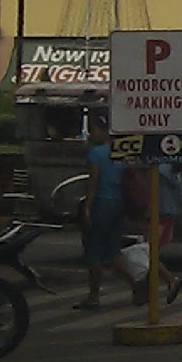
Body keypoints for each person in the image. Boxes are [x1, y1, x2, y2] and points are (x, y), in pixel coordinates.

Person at [75, 120, 144, 310]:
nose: (90, 135)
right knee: (112, 249)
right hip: (119, 204)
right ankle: (135, 283)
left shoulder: (95, 154)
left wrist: (87, 207)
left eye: (93, 130)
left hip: (102, 204)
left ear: (104, 131)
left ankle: (93, 296)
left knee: (93, 251)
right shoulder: (120, 151)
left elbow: (93, 182)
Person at [143, 162, 182, 304]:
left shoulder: (157, 170)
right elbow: (181, 197)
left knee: (148, 253)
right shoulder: (175, 172)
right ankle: (147, 290)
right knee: (151, 253)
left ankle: (170, 280)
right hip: (171, 216)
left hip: (159, 215)